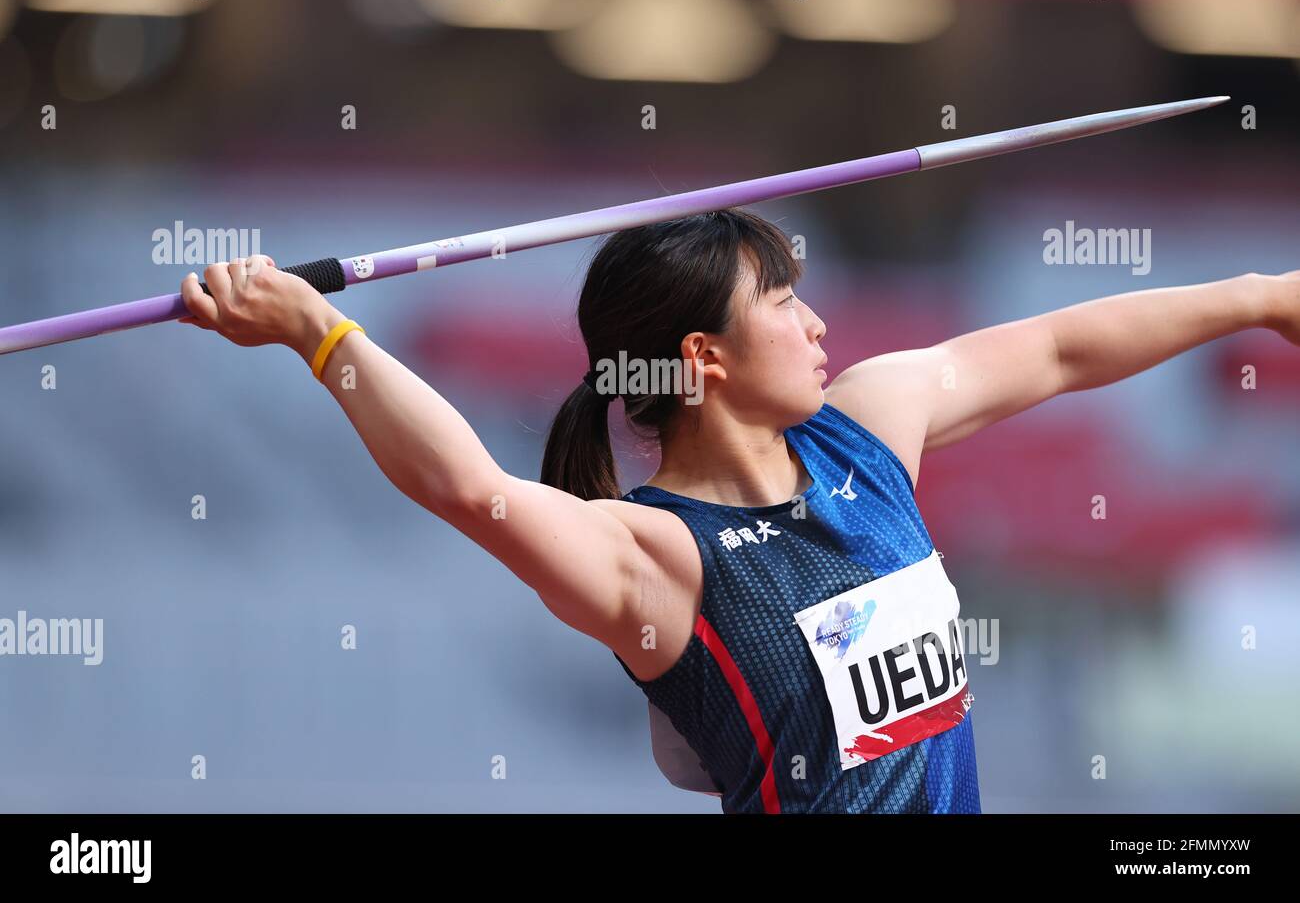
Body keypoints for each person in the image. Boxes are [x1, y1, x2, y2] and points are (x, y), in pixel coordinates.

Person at [179, 208, 1298, 813]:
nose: (817, 323)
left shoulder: (867, 427)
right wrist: (313, 329)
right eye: (781, 298)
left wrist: (1259, 296)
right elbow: (468, 485)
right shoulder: (656, 556)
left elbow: (1059, 349)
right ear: (702, 356)